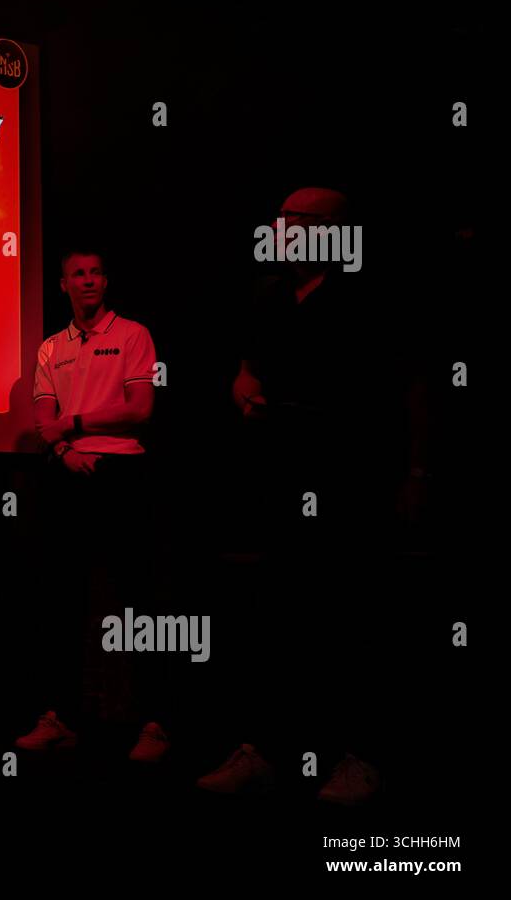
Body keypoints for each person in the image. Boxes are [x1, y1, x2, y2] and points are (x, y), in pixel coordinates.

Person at [200, 186, 393, 804]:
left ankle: (358, 757)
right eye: (278, 220)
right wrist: (244, 389)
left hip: (345, 477)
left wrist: (418, 474)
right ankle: (267, 750)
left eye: (294, 221)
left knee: (341, 615)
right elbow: (247, 368)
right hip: (275, 475)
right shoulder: (269, 295)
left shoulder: (366, 297)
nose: (279, 231)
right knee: (273, 613)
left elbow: (406, 387)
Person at [15, 249, 162, 753]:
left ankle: (155, 721)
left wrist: (73, 427)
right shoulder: (52, 347)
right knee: (60, 597)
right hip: (69, 472)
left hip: (122, 470)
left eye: (96, 272)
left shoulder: (133, 334)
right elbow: (43, 415)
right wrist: (61, 448)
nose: (89, 280)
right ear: (63, 285)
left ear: (106, 280)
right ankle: (60, 717)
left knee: (138, 595)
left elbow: (140, 409)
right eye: (78, 273)